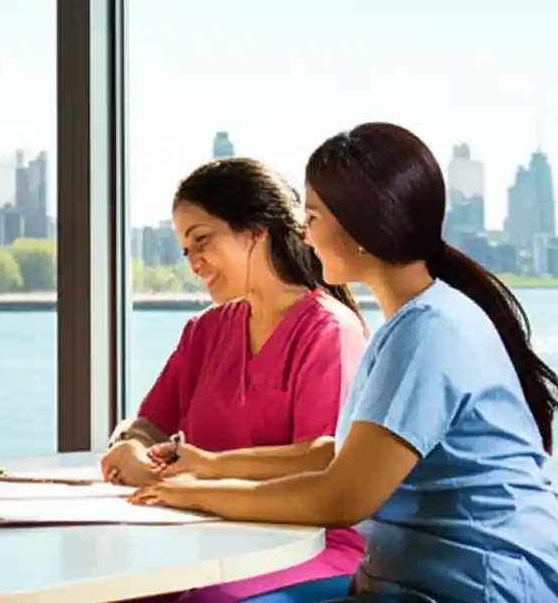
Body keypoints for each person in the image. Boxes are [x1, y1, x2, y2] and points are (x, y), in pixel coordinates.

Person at [131, 123, 558, 603]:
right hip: (412, 583)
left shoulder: (427, 330)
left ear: (360, 225)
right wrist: (208, 466)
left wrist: (191, 493)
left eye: (312, 218)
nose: (304, 236)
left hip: (481, 587)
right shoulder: (413, 322)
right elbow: (338, 454)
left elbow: (343, 497)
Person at [102, 158, 369, 602]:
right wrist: (131, 444)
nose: (193, 263)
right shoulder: (205, 332)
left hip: (309, 547)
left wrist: (202, 478)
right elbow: (150, 423)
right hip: (210, 531)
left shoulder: (329, 333)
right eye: (185, 250)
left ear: (255, 232)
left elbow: (321, 464)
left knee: (209, 599)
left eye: (201, 240)